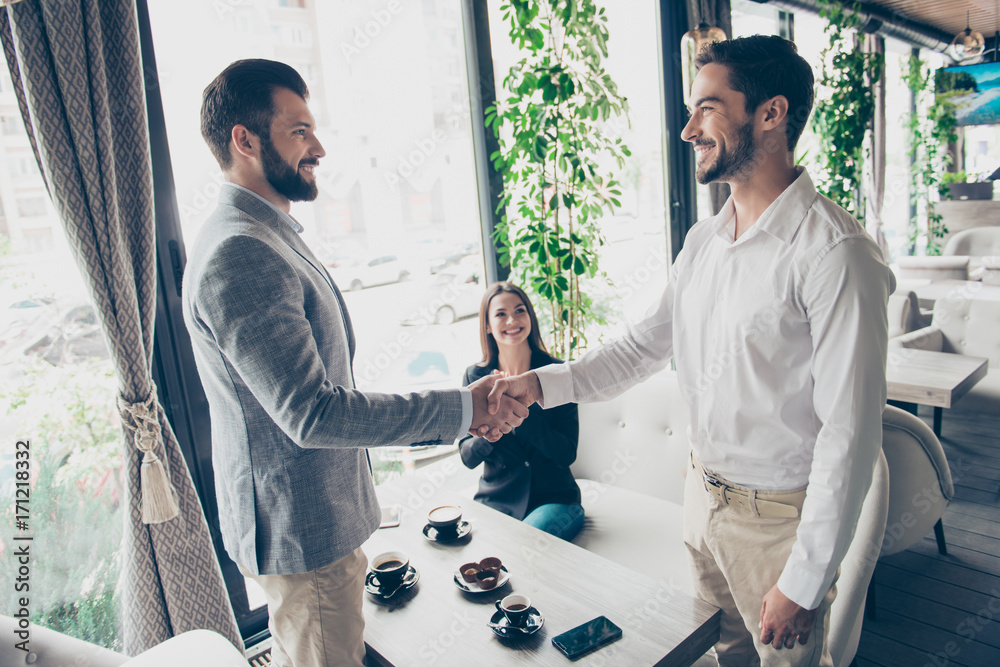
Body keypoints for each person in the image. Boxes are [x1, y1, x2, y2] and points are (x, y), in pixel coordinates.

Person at [487, 35, 892, 667]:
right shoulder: (703, 241)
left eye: (706, 107)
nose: (687, 129)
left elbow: (852, 432)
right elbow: (641, 348)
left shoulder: (835, 255)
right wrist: (540, 384)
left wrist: (805, 579)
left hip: (776, 529)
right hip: (702, 503)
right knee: (723, 658)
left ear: (770, 112)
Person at [183, 59, 527, 667]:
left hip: (314, 523)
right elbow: (312, 412)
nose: (318, 147)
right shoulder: (241, 250)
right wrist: (463, 406)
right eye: (298, 131)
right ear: (245, 139)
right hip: (304, 533)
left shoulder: (265, 232)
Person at [459, 282, 584, 541]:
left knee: (519, 546)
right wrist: (490, 430)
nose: (512, 320)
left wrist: (520, 407)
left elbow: (566, 453)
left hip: (555, 500)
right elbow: (467, 456)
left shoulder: (557, 373)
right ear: (487, 326)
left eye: (520, 310)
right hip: (497, 500)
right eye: (500, 314)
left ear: (530, 317)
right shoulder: (476, 377)